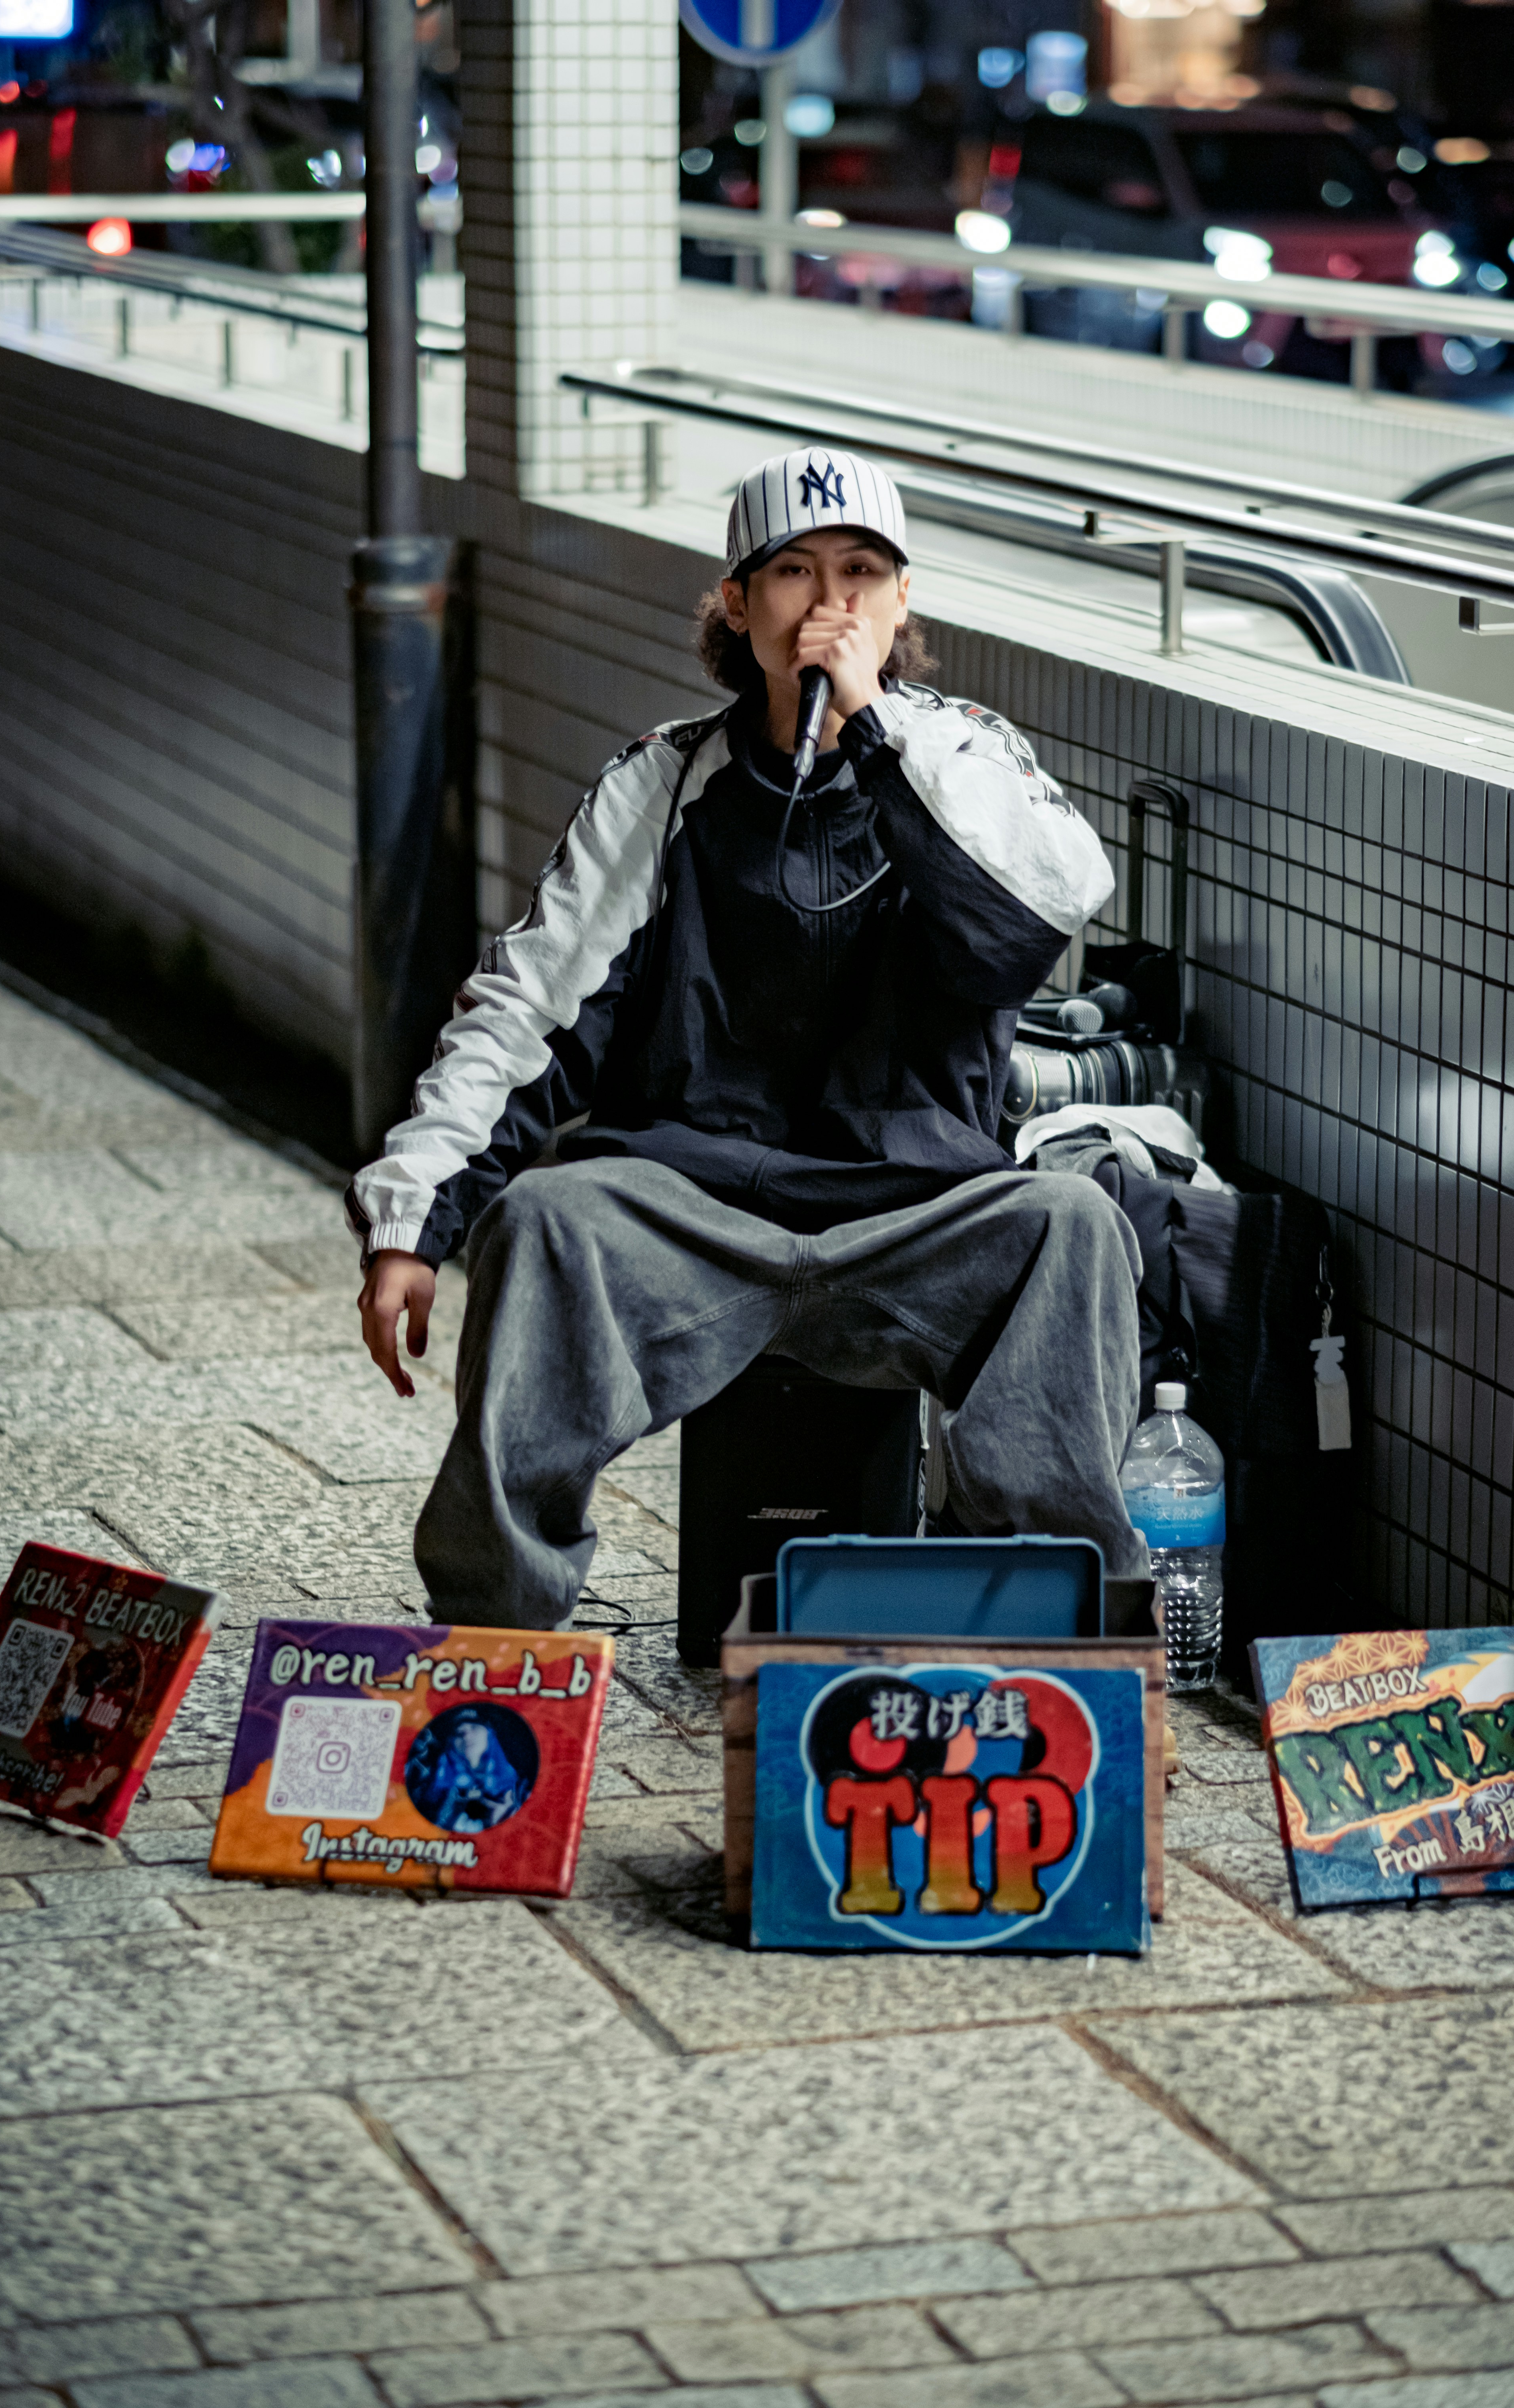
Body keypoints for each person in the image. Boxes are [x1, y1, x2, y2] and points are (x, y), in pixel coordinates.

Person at [349, 446, 1145, 1626]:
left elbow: (1015, 933)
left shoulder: (966, 756)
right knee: (547, 1222)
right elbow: (524, 1013)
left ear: (902, 603)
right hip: (698, 1224)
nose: (831, 604)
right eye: (795, 573)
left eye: (864, 572)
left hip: (916, 1220)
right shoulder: (662, 789)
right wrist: (413, 1221)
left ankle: (1067, 1645)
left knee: (1071, 1224)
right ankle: (495, 1652)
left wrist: (874, 736)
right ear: (737, 601)